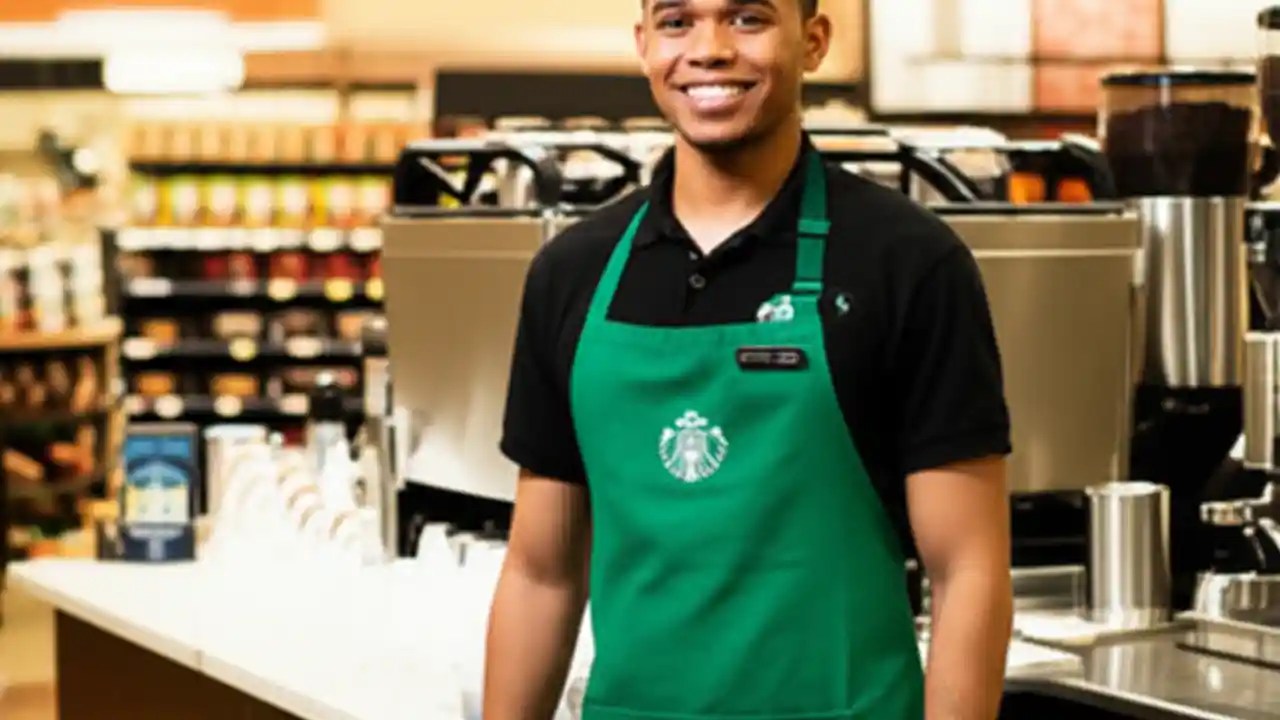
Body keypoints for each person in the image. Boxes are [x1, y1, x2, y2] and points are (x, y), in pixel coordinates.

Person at [485, 0, 1014, 718]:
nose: (708, 49)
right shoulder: (571, 274)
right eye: (677, 22)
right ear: (643, 46)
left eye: (747, 19)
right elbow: (541, 575)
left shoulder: (909, 264)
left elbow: (969, 571)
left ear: (814, 42)